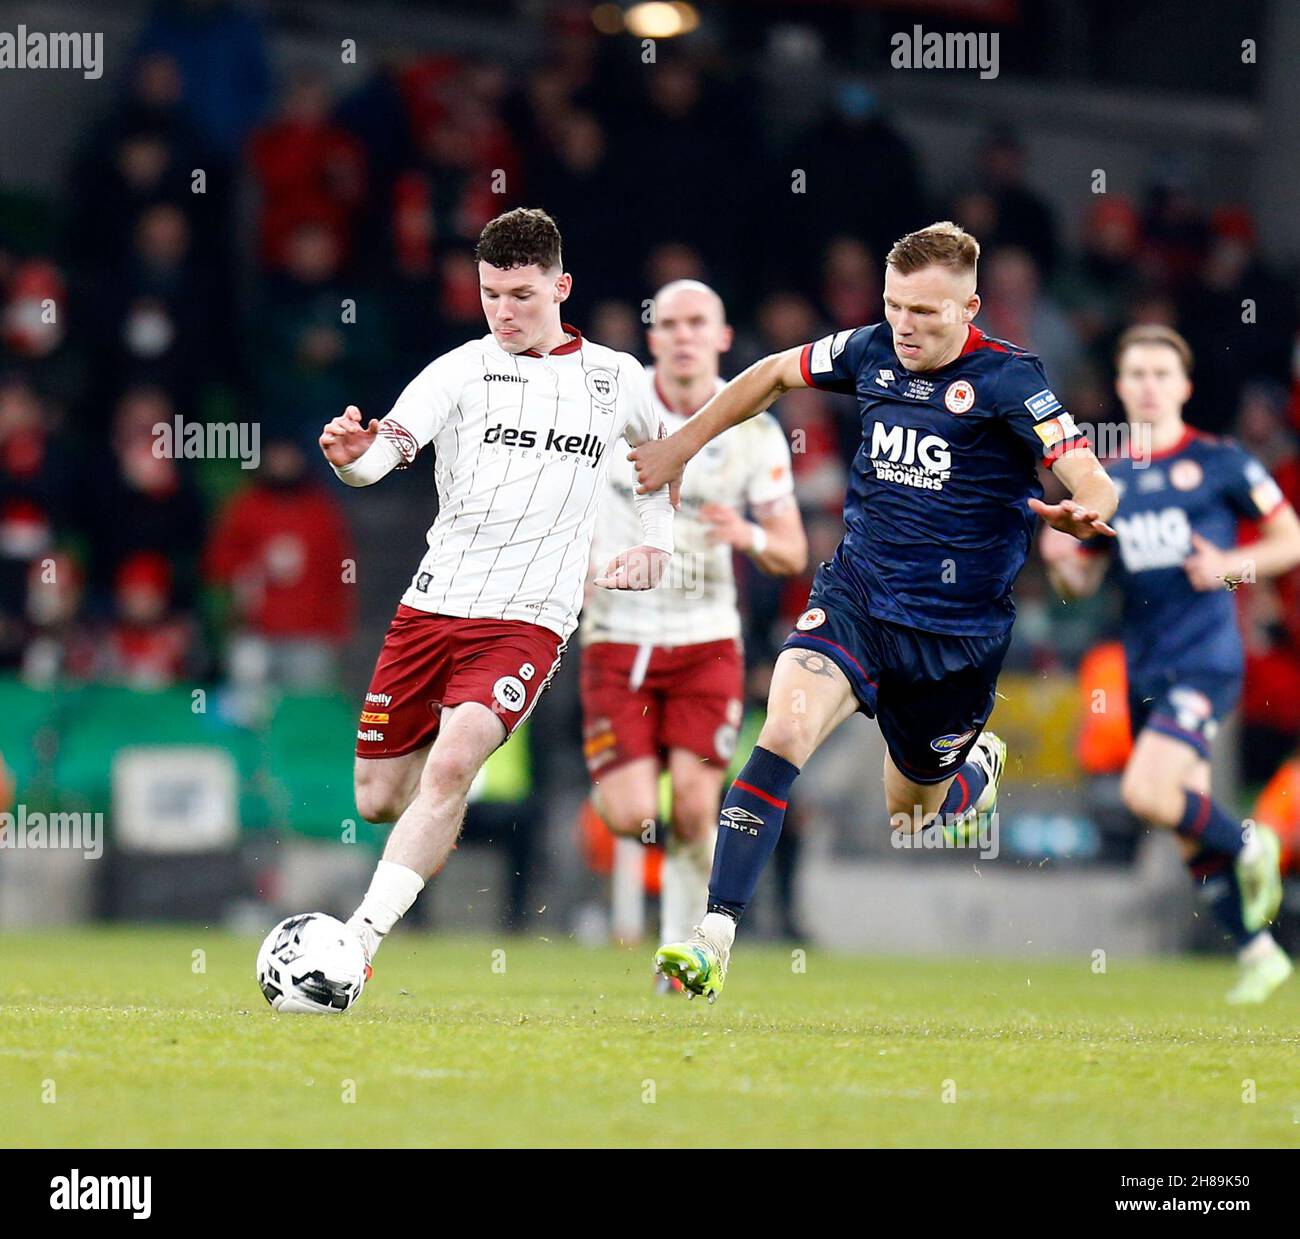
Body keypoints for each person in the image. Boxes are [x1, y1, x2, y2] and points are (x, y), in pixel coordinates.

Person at [630, 221, 1118, 1001]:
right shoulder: (869, 351)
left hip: (954, 641)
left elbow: (1092, 475)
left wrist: (1083, 511)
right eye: (894, 305)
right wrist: (683, 444)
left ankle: (971, 773)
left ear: (971, 307)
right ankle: (713, 935)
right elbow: (771, 372)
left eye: (926, 311)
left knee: (914, 811)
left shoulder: (1011, 382)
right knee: (783, 731)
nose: (905, 325)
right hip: (855, 597)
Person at [317, 207, 673, 990]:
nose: (503, 312)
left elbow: (659, 462)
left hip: (528, 620)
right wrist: (351, 459)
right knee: (379, 797)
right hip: (433, 605)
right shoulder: (460, 370)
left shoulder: (616, 378)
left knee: (452, 765)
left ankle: (357, 944)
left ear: (561, 286)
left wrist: (656, 542)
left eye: (520, 294)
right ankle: (409, 855)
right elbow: (383, 456)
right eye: (489, 294)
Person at [1040, 324, 1300, 1004]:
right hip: (1144, 667)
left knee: (1145, 793)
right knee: (1182, 820)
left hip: (1207, 660)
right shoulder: (1110, 481)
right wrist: (1062, 557)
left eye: (1162, 373)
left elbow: (1290, 538)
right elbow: (1083, 586)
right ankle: (1259, 950)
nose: (1149, 385)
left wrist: (1229, 567)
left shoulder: (1221, 461)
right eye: (1137, 374)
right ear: (1122, 387)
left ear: (1184, 386)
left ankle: (1254, 843)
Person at [580, 280, 806, 987]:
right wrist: (583, 567)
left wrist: (749, 533)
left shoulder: (755, 429)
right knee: (632, 815)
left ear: (722, 336)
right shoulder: (610, 410)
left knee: (697, 807)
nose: (682, 335)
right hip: (616, 637)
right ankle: (644, 897)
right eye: (669, 324)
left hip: (707, 640)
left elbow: (794, 551)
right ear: (652, 339)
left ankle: (678, 959)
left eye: (696, 323)